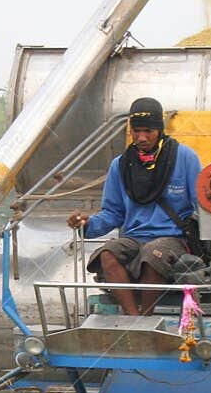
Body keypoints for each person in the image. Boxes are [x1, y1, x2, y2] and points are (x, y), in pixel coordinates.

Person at [67, 97, 203, 316]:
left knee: (152, 254)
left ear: (159, 130)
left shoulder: (185, 157)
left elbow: (202, 204)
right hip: (133, 237)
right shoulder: (120, 165)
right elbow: (112, 213)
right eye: (136, 131)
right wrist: (86, 224)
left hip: (174, 237)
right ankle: (134, 318)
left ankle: (146, 315)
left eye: (148, 131)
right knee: (107, 253)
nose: (141, 137)